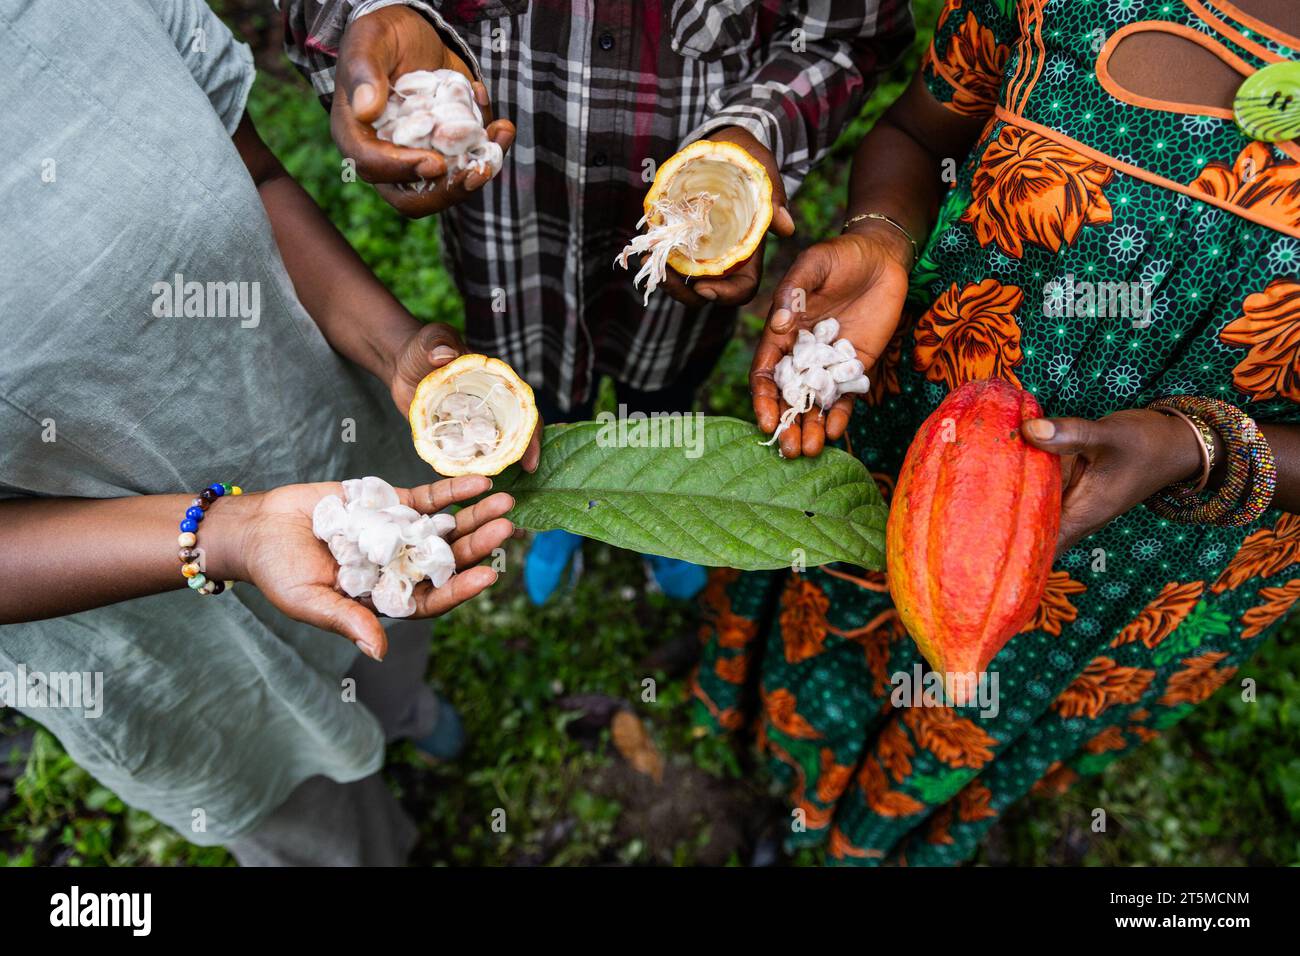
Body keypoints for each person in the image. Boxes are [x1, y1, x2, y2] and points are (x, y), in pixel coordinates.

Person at [694, 0, 1300, 864]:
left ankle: (864, 832)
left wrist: (1191, 450)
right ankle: (789, 776)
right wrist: (883, 234)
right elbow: (919, 130)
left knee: (981, 695)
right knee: (845, 595)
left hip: (1155, 545)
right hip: (926, 427)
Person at [0, 0, 532, 865]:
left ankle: (399, 714)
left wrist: (391, 344)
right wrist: (232, 533)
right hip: (122, 604)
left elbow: (252, 175)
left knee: (383, 622)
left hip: (305, 432)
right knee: (289, 793)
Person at [278, 0, 916, 602]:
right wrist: (375, 21)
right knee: (534, 403)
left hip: (690, 240)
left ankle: (661, 517)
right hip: (515, 238)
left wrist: (755, 133)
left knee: (661, 396)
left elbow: (849, 31)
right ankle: (560, 511)